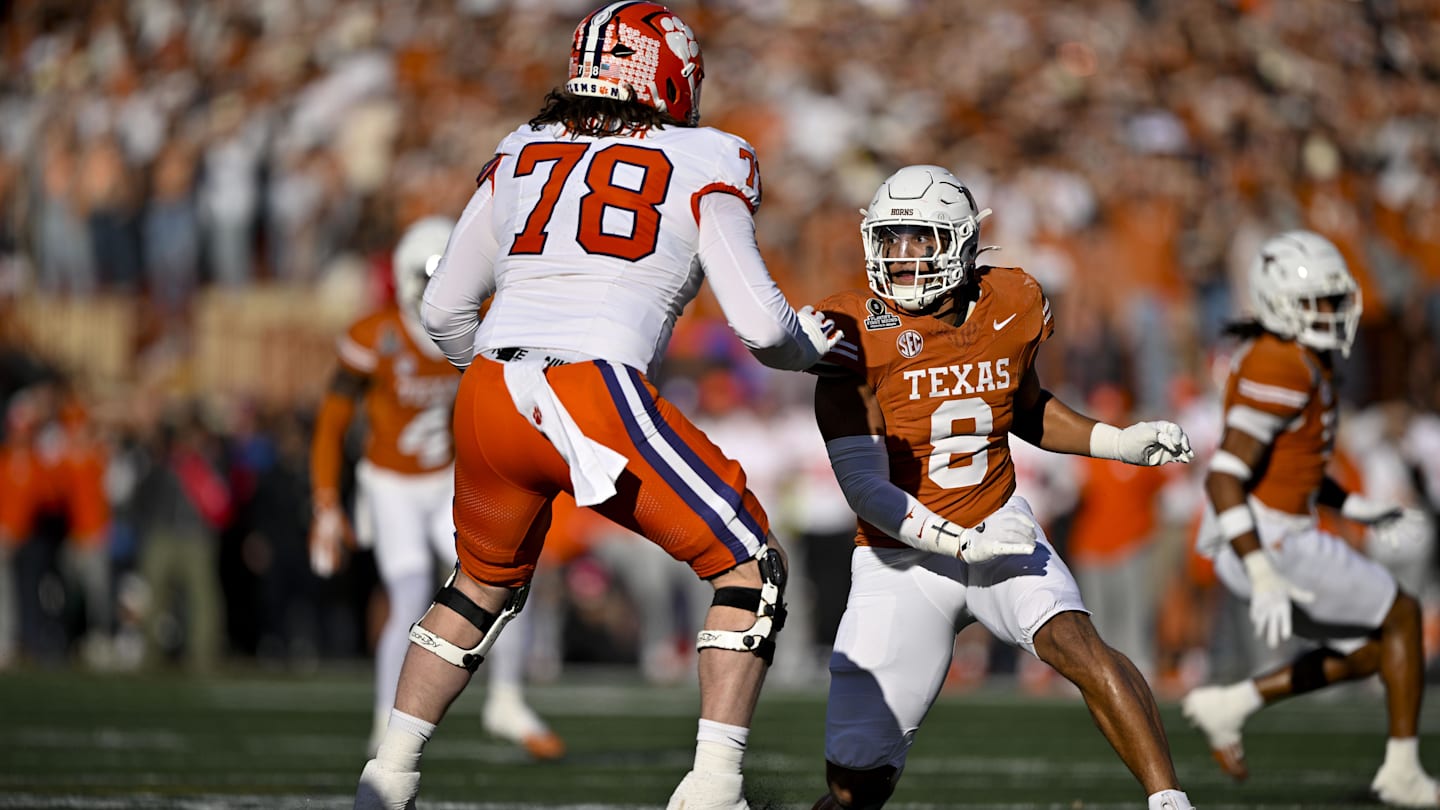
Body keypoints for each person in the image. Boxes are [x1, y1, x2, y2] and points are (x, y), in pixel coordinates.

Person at [354, 4, 841, 809]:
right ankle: (714, 789)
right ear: (674, 77)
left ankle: (390, 773)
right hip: (589, 388)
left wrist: (505, 372)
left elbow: (442, 312)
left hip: (484, 392)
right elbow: (760, 326)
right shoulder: (708, 156)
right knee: (750, 566)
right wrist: (808, 347)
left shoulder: (520, 149)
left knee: (477, 587)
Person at [808, 165, 1196, 810]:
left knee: (1076, 642)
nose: (901, 258)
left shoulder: (1011, 299)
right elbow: (865, 489)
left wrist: (1116, 440)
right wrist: (958, 544)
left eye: (919, 238)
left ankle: (1170, 803)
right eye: (890, 239)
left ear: (961, 244)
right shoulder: (852, 333)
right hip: (899, 556)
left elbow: (1025, 407)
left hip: (997, 518)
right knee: (855, 789)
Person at [1180, 230, 1438, 807]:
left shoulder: (1292, 356)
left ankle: (1233, 703)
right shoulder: (1282, 363)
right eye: (1316, 302)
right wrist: (1263, 571)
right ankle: (1402, 772)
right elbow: (1224, 477)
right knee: (1402, 615)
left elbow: (1288, 462)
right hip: (1265, 536)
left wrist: (1351, 505)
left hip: (1262, 527)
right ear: (1279, 304)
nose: (1331, 312)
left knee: (1377, 647)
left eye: (1332, 300)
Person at [310, 216, 564, 762]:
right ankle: (385, 719)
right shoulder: (373, 335)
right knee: (409, 593)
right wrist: (326, 502)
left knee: (507, 580)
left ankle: (507, 699)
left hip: (449, 479)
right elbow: (331, 423)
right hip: (392, 484)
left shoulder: (480, 325)